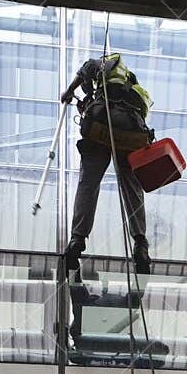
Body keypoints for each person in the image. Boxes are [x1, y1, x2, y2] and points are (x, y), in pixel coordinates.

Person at [60, 53, 156, 278]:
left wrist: (69, 91)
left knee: (89, 182)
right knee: (132, 188)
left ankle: (78, 239)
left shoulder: (106, 64)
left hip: (102, 121)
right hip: (131, 131)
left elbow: (87, 68)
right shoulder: (131, 86)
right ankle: (140, 242)